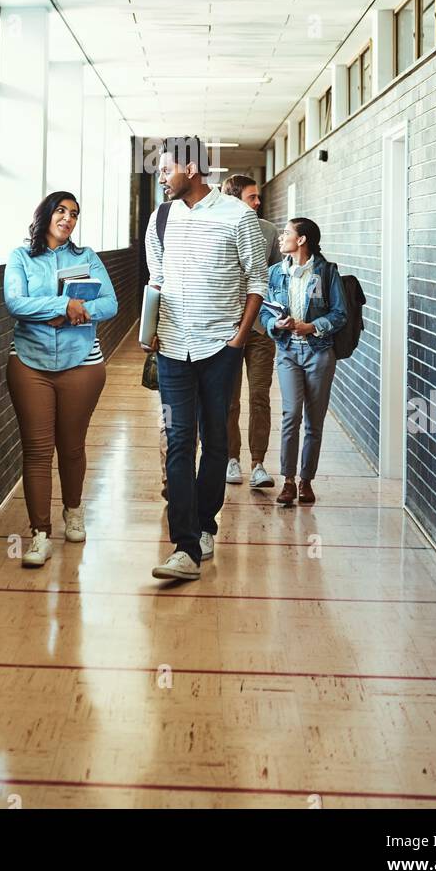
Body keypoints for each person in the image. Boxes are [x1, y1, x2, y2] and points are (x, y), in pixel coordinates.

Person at [143, 137, 268, 580]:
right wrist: (149, 327)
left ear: (192, 168)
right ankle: (185, 546)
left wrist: (238, 339)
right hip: (174, 349)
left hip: (220, 348)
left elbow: (257, 280)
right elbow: (156, 279)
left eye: (165, 168)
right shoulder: (160, 218)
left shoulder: (237, 217)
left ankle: (204, 522)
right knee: (179, 442)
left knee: (215, 441)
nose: (159, 175)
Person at [4, 191, 118, 567]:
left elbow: (110, 304)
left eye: (74, 214)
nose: (68, 219)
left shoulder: (86, 258)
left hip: (82, 364)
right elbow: (15, 302)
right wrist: (59, 305)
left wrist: (73, 312)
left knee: (71, 447)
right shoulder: (21, 257)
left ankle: (73, 510)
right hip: (30, 364)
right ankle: (39, 534)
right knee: (37, 450)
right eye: (61, 211)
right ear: (46, 214)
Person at [259, 217, 346, 507]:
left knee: (314, 420)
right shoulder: (275, 273)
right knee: (291, 414)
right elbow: (264, 313)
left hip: (319, 353)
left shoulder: (326, 272)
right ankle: (287, 480)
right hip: (288, 353)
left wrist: (312, 326)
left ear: (302, 240)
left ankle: (306, 481)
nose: (281, 236)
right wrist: (276, 325)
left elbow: (339, 314)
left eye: (287, 233)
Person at [221, 175, 281, 490]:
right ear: (234, 199)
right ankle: (232, 459)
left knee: (259, 396)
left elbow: (277, 279)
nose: (258, 203)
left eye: (258, 197)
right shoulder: (219, 227)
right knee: (229, 399)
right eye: (252, 197)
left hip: (260, 329)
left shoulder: (269, 232)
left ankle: (258, 463)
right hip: (227, 329)